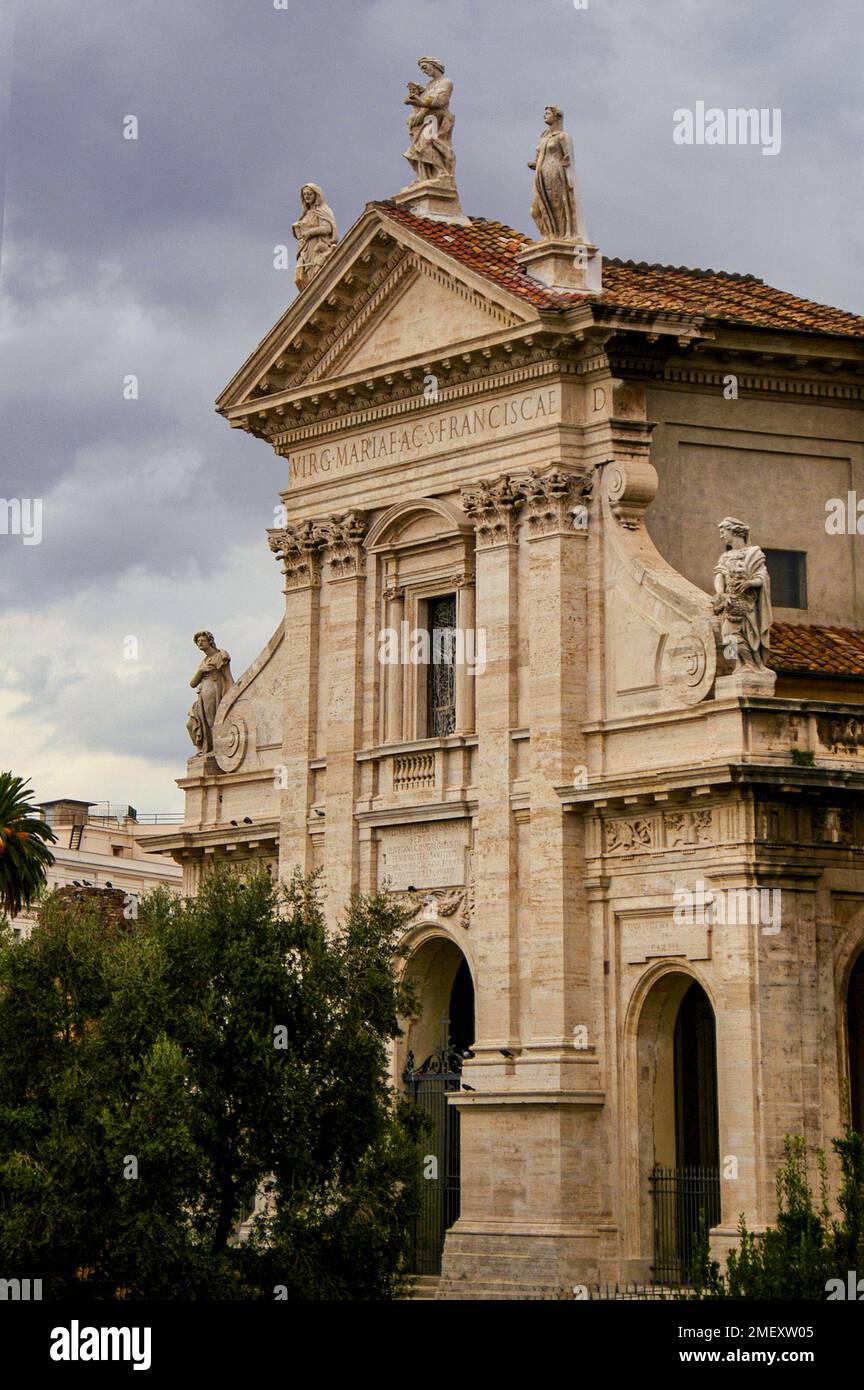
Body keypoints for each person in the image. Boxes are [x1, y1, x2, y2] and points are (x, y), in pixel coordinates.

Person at [712, 518, 773, 671]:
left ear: (734, 531)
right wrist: (720, 593)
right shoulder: (725, 556)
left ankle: (750, 665)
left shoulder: (753, 553)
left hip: (746, 603)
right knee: (727, 638)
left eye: (723, 532)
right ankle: (738, 665)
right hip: (728, 601)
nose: (721, 536)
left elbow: (762, 577)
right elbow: (719, 575)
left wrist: (749, 583)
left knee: (736, 634)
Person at [528, 106, 583, 241]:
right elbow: (539, 157)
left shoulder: (563, 137)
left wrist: (568, 179)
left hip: (555, 174)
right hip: (541, 176)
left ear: (557, 116)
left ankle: (559, 236)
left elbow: (569, 160)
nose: (544, 116)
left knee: (557, 205)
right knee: (535, 210)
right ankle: (547, 235)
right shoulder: (543, 137)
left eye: (547, 113)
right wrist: (536, 165)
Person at [187, 631, 233, 752]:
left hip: (214, 689)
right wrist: (201, 671)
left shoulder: (221, 655)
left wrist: (232, 695)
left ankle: (216, 749)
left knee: (212, 720)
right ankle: (204, 748)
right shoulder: (204, 661)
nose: (199, 643)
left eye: (202, 640)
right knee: (191, 724)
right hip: (202, 692)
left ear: (210, 641)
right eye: (198, 641)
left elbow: (228, 677)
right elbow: (192, 684)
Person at [292, 183, 338, 289]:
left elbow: (327, 228)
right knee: (299, 278)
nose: (307, 196)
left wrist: (310, 232)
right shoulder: (306, 213)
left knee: (314, 274)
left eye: (309, 194)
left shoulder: (323, 210)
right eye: (304, 194)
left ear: (316, 195)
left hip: (316, 245)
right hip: (305, 247)